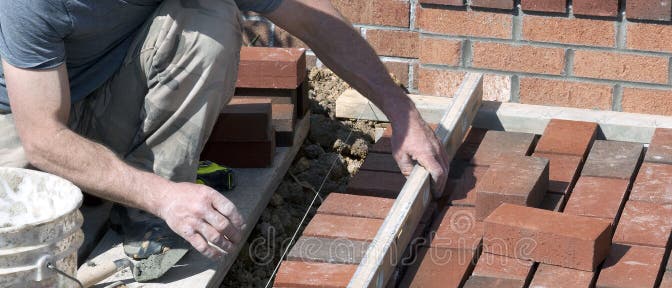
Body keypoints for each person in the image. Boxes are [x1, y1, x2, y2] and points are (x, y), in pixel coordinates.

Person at [0, 0, 448, 260]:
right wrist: (160, 193)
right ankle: (142, 198)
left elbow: (311, 18)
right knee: (36, 254)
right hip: (25, 122)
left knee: (209, 16)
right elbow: (42, 136)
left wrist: (400, 110)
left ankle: (147, 219)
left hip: (108, 89)